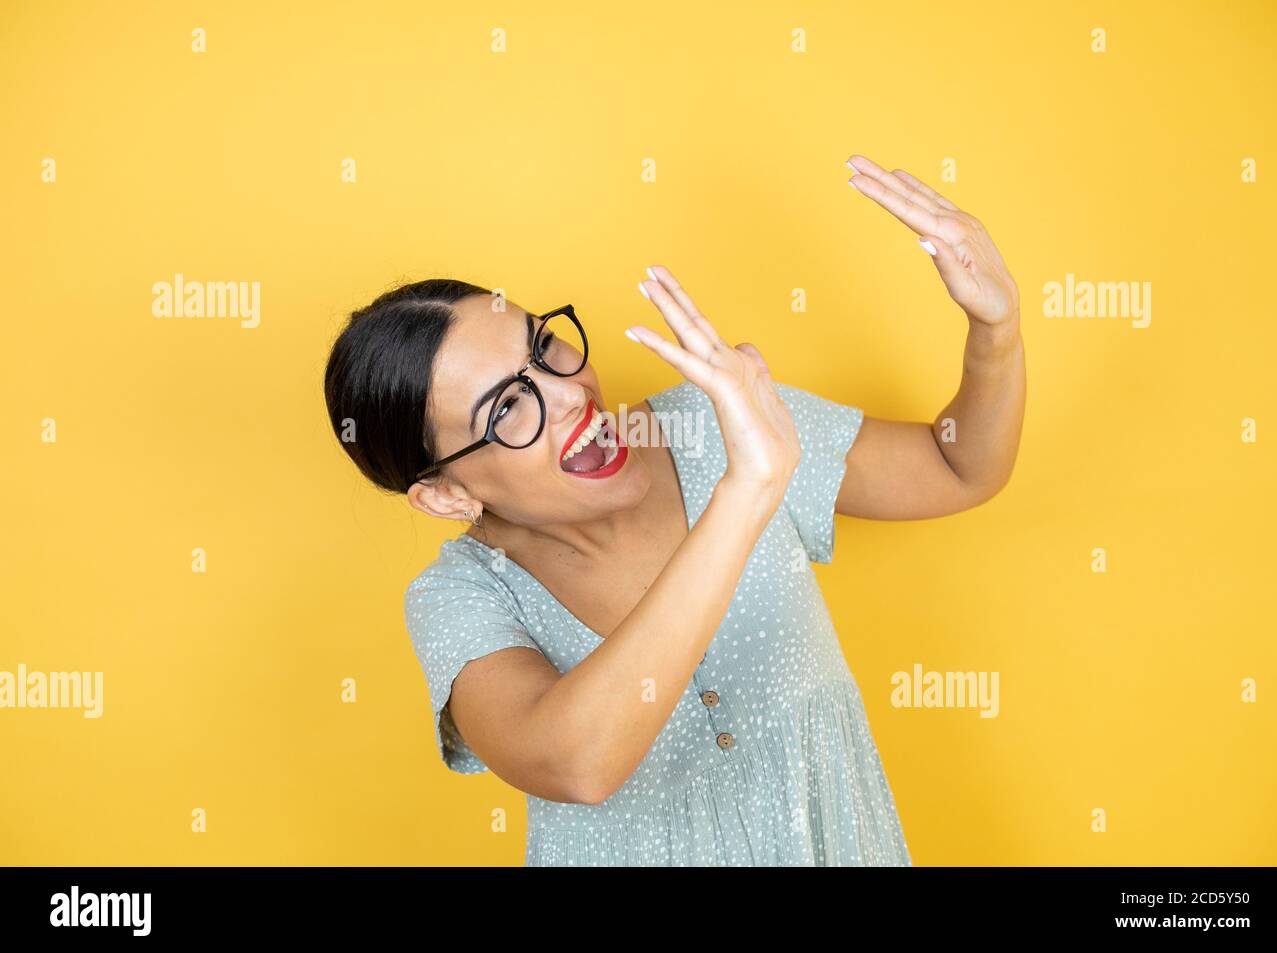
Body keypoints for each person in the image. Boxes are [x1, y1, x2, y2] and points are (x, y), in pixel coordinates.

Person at [322, 154, 1025, 865]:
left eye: (543, 348)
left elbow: (956, 468)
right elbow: (575, 764)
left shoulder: (716, 424)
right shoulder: (459, 598)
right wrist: (746, 493)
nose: (567, 394)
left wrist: (995, 329)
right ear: (446, 493)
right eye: (507, 406)